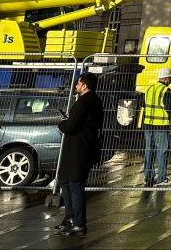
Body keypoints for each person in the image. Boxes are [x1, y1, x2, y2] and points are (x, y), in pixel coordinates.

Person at [54, 72, 104, 237]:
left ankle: (79, 223)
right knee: (65, 181)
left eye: (78, 83)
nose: (75, 86)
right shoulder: (96, 101)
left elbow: (70, 127)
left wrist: (62, 123)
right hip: (83, 148)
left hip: (77, 149)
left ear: (84, 85)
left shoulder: (83, 102)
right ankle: (70, 218)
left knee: (74, 185)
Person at [140, 67, 171, 187]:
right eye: (170, 78)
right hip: (160, 125)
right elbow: (170, 108)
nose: (170, 80)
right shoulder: (166, 90)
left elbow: (143, 104)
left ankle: (149, 177)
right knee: (162, 151)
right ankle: (161, 178)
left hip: (148, 124)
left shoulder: (150, 89)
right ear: (166, 78)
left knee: (149, 151)